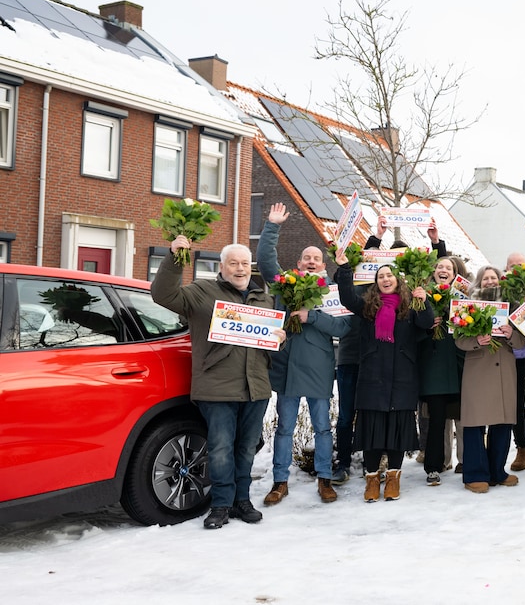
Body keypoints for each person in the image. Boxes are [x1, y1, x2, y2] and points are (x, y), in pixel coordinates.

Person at [151, 238, 279, 529]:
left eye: (245, 263)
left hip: (255, 387)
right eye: (233, 263)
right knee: (220, 449)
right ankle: (221, 505)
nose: (240, 268)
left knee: (246, 448)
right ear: (222, 267)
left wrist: (279, 338)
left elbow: (269, 341)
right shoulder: (202, 292)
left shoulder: (263, 299)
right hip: (218, 387)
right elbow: (163, 294)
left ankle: (241, 501)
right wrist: (174, 257)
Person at [333, 215, 448, 482]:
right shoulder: (368, 306)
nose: (386, 279)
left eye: (390, 275)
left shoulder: (409, 305)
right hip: (373, 377)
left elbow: (427, 323)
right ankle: (372, 479)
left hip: (402, 377)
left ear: (398, 280)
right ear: (376, 282)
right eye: (381, 276)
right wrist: (345, 268)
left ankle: (394, 478)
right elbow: (348, 297)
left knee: (397, 429)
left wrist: (425, 300)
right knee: (373, 428)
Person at [258, 204, 350, 506]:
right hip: (286, 369)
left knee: (323, 427)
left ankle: (325, 479)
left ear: (323, 266)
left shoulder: (332, 292)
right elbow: (266, 263)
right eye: (306, 258)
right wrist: (272, 226)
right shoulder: (286, 286)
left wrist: (313, 317)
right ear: (298, 263)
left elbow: (344, 326)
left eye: (316, 258)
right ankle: (280, 482)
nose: (311, 261)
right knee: (284, 428)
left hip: (318, 369)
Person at [456, 268, 525, 492]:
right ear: (479, 281)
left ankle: (497, 471)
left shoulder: (512, 306)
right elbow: (459, 340)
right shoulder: (466, 305)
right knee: (475, 423)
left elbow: (522, 341)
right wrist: (477, 339)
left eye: (493, 278)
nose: (489, 281)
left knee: (503, 422)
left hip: (504, 370)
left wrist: (510, 334)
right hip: (478, 371)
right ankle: (475, 474)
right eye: (485, 278)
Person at [417, 255, 469, 486]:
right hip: (435, 366)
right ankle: (433, 466)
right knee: (437, 419)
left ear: (456, 274)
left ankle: (468, 461)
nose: (443, 270)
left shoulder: (463, 298)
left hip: (459, 363)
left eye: (449, 267)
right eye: (440, 267)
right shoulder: (423, 296)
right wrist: (427, 328)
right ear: (434, 272)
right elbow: (412, 329)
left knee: (464, 417)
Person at [505, 253, 525, 473]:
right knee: (516, 406)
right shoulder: (500, 294)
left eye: (520, 265)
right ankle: (521, 449)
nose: (515, 269)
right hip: (512, 357)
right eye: (511, 266)